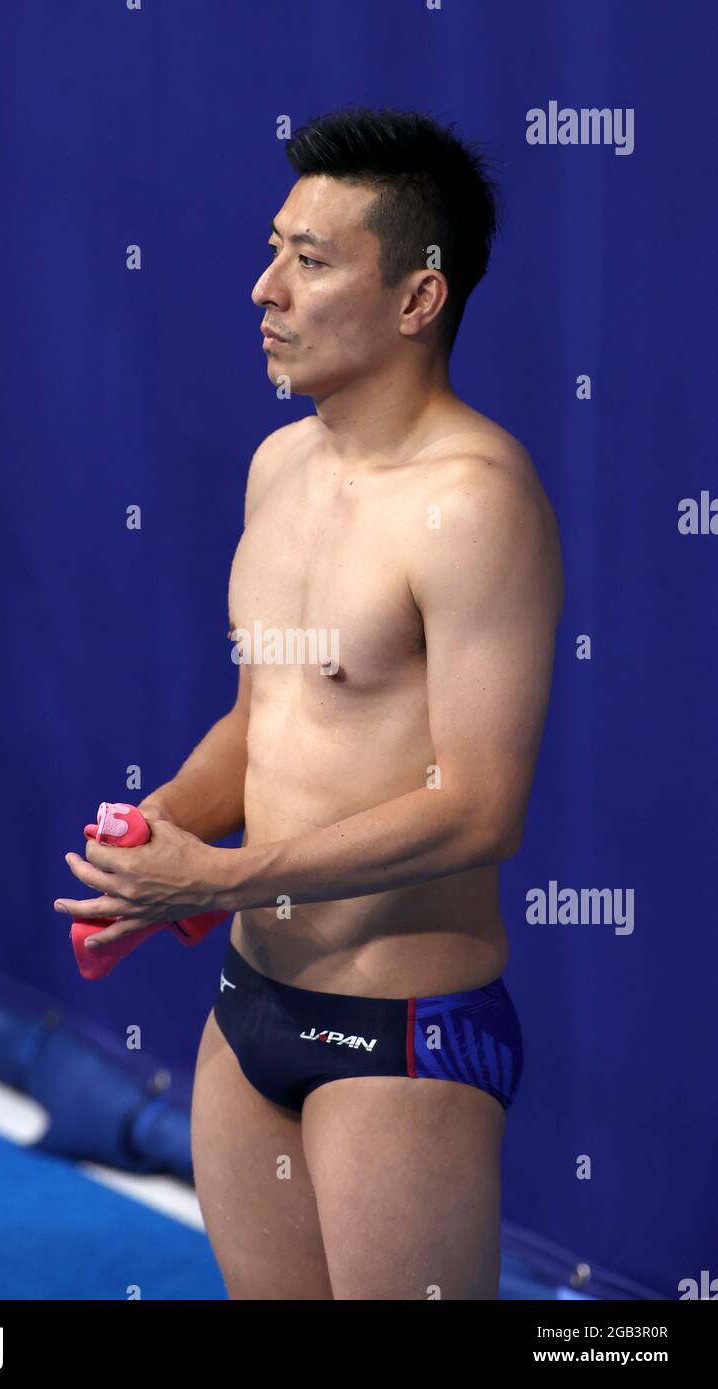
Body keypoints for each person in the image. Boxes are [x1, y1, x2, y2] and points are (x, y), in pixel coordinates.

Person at [56, 106, 564, 1299]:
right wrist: (164, 837)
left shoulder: (476, 501)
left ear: (416, 300)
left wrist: (224, 875)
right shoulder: (277, 468)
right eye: (274, 247)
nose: (263, 289)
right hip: (249, 1010)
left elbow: (482, 807)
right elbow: (262, 716)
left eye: (310, 259)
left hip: (396, 1037)